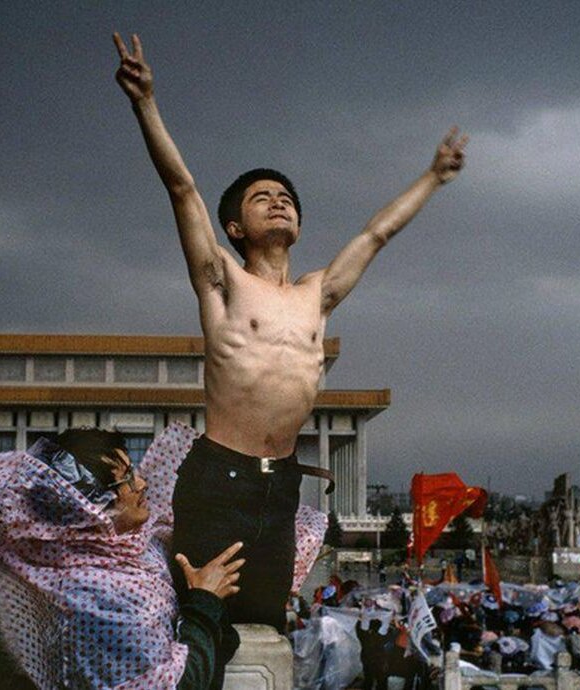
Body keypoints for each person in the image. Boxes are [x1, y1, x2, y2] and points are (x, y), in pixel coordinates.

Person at [112, 29, 467, 682]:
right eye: (260, 197)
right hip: (218, 478)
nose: (279, 200)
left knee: (265, 633)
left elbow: (378, 232)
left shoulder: (317, 295)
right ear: (236, 228)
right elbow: (183, 190)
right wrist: (146, 104)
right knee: (200, 621)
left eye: (287, 197)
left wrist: (434, 177)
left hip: (281, 484)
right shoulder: (222, 278)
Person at [0, 425, 245, 689]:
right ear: (87, 506)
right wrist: (204, 604)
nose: (141, 483)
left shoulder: (111, 553)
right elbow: (178, 684)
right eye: (126, 479)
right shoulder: (97, 596)